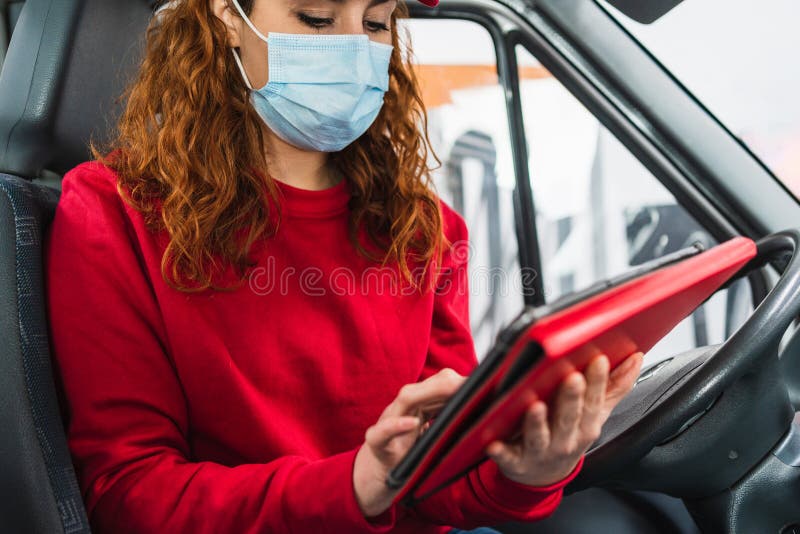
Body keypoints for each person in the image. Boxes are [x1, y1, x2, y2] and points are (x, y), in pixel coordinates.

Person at [43, 0, 644, 532]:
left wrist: (534, 470)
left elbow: (447, 480)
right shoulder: (115, 212)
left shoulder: (424, 228)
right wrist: (356, 485)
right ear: (228, 13)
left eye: (377, 22)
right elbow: (128, 497)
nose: (355, 47)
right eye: (317, 18)